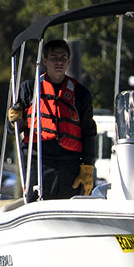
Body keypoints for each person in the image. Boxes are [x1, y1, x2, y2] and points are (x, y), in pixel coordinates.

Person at [20, 39, 89, 199]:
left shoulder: (81, 93)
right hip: (39, 162)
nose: (59, 62)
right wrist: (14, 118)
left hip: (69, 164)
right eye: (54, 58)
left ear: (69, 61)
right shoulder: (29, 89)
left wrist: (87, 166)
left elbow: (88, 131)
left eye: (63, 58)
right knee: (37, 200)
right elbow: (13, 129)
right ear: (45, 60)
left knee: (69, 203)